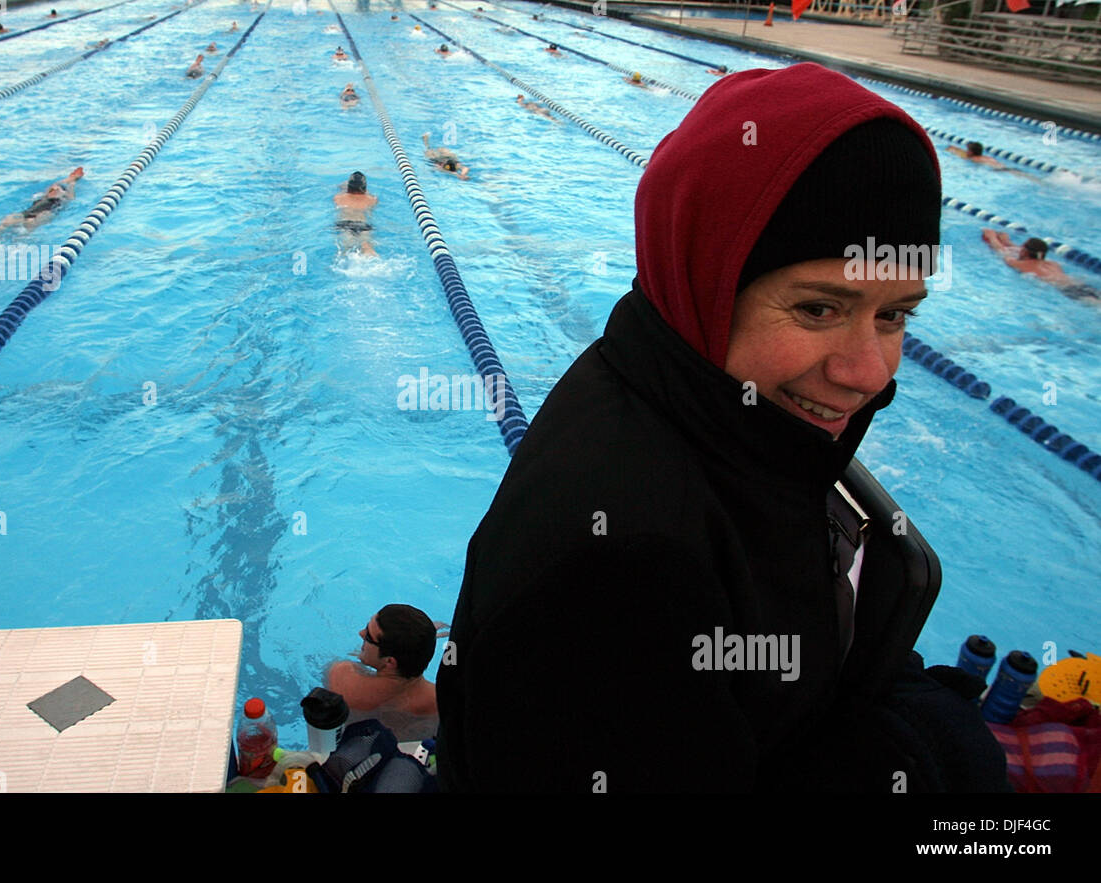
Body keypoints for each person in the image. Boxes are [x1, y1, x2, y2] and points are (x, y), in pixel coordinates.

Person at [436, 63, 1010, 793]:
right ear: (708, 280)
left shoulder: (700, 403)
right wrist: (926, 754)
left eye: (894, 314)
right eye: (818, 308)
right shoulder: (618, 572)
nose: (870, 372)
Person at [326, 605, 439, 741]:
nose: (361, 633)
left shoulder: (343, 678)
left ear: (390, 662)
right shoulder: (440, 702)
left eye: (368, 635)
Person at [983, 229, 1099, 301]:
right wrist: (1008, 242)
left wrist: (992, 236)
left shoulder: (1022, 265)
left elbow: (1001, 251)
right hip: (1082, 285)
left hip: (1069, 290)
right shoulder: (1053, 263)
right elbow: (1024, 252)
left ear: (1025, 251)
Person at [0, 167, 83, 233]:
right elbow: (56, 184)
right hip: (29, 212)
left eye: (58, 189)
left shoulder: (61, 199)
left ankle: (18, 241)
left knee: (30, 224)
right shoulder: (43, 197)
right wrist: (69, 179)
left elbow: (71, 198)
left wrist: (72, 183)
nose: (55, 189)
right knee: (7, 221)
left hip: (44, 214)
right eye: (53, 189)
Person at [334, 171, 378, 258]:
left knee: (347, 250)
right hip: (363, 225)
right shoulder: (372, 199)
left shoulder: (338, 198)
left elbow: (343, 190)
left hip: (345, 224)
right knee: (367, 246)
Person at [944, 141, 1032, 177]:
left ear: (971, 152)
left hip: (998, 170)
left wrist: (953, 150)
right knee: (1025, 175)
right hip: (1004, 167)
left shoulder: (975, 159)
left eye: (968, 150)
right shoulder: (986, 157)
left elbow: (963, 157)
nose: (966, 151)